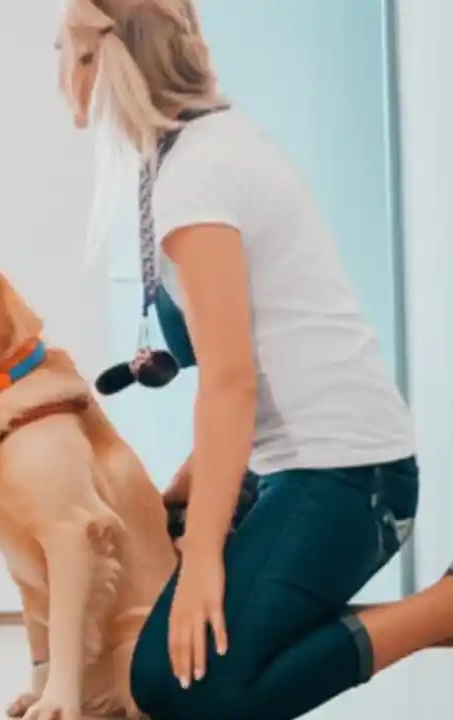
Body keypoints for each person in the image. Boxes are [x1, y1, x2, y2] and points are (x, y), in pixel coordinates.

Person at [56, 2, 452, 719]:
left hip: (351, 480)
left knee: (200, 696)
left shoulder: (194, 178)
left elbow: (233, 381)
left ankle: (443, 612)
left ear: (99, 65)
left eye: (64, 52)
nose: (57, 72)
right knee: (169, 677)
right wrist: (193, 483)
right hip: (300, 470)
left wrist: (205, 556)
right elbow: (250, 353)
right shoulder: (193, 153)